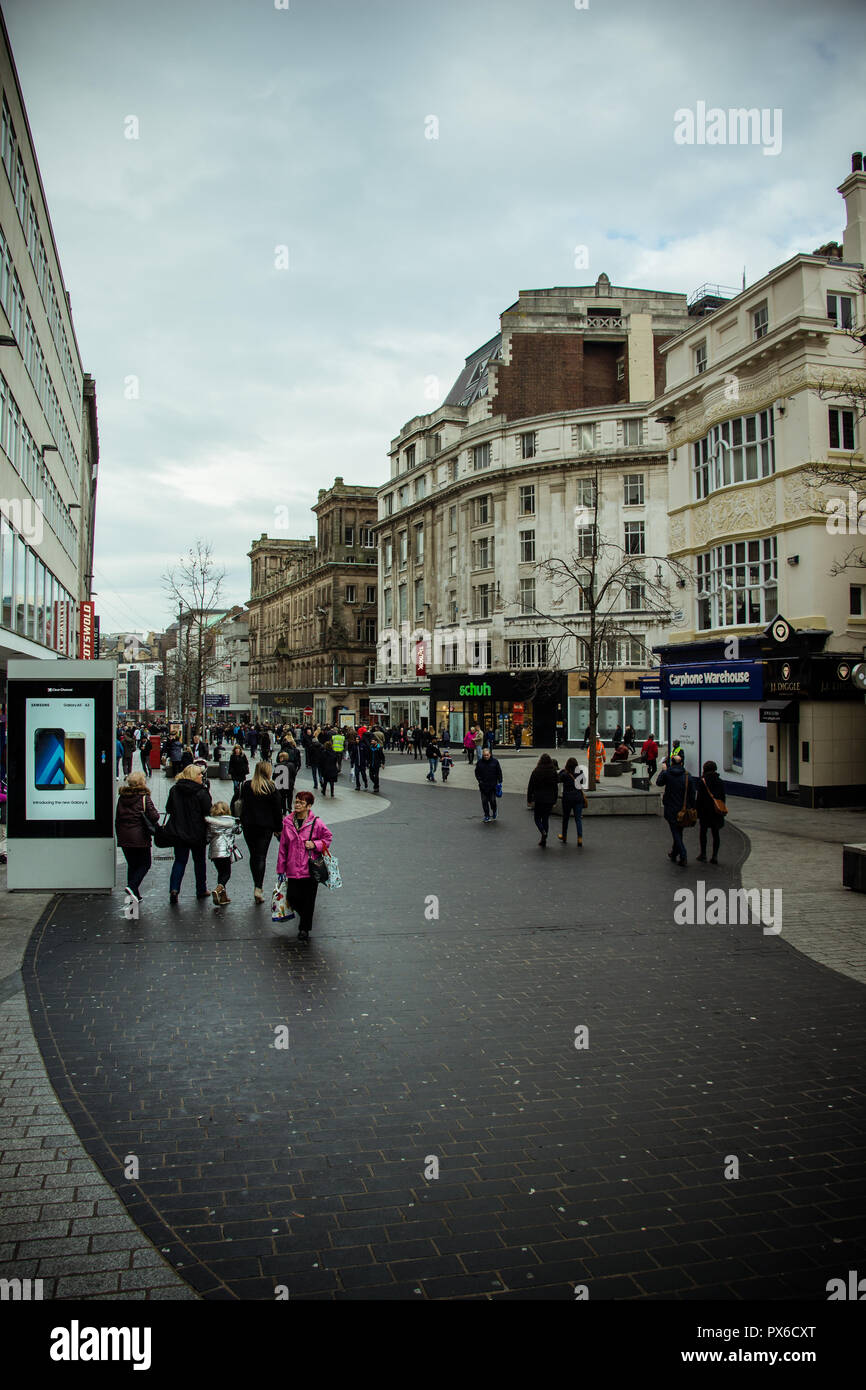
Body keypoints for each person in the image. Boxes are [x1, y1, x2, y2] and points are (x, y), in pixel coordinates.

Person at [276, 790, 333, 943]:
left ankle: (304, 929)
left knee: (309, 900)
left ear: (309, 806)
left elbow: (328, 838)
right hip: (293, 867)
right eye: (296, 801)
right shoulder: (287, 822)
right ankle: (306, 918)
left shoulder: (316, 822)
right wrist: (280, 869)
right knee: (292, 897)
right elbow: (283, 847)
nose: (297, 805)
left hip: (310, 868)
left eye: (301, 802)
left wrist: (315, 844)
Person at [166, 763, 212, 903]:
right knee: (199, 862)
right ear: (193, 776)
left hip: (179, 832)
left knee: (179, 861)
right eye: (199, 774)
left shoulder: (175, 790)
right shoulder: (201, 792)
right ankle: (201, 889)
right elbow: (208, 811)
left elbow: (168, 808)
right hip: (197, 833)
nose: (201, 776)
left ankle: (174, 889)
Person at [239, 760, 283, 903]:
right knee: (261, 856)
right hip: (265, 827)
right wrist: (278, 829)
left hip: (249, 825)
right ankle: (258, 888)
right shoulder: (271, 788)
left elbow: (237, 801)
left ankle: (256, 883)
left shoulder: (246, 786)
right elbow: (277, 810)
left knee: (253, 855)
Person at [115, 770, 159, 906]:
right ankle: (132, 886)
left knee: (132, 865)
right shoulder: (144, 797)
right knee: (145, 864)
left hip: (124, 836)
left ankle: (135, 895)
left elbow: (118, 817)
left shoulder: (122, 797)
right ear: (141, 782)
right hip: (140, 837)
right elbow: (154, 816)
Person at [656, 752, 697, 867]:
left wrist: (663, 771)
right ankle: (674, 853)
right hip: (683, 809)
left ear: (672, 763)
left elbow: (658, 783)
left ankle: (683, 854)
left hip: (670, 807)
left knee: (675, 831)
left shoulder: (668, 773)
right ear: (682, 763)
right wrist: (692, 807)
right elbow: (692, 794)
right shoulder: (688, 776)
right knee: (679, 831)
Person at [206, 800, 240, 906]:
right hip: (225, 851)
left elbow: (208, 837)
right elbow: (238, 830)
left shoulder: (211, 822)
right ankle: (219, 888)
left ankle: (223, 896)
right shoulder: (232, 821)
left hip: (215, 852)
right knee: (226, 873)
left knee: (220, 872)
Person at [696, 760, 726, 864]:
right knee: (715, 833)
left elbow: (699, 798)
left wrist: (697, 811)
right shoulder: (720, 781)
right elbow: (722, 797)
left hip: (705, 811)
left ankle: (703, 854)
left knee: (703, 832)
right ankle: (715, 856)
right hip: (716, 810)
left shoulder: (702, 781)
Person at [527, 753, 559, 847]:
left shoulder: (536, 771)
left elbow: (531, 786)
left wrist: (529, 799)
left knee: (537, 818)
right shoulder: (553, 771)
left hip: (539, 798)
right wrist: (555, 799)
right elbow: (555, 787)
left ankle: (542, 831)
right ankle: (544, 838)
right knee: (545, 818)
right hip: (549, 799)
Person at [557, 757, 587, 846]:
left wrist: (562, 771)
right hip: (578, 798)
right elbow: (584, 781)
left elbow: (558, 779)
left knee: (565, 818)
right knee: (578, 819)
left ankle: (564, 836)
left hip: (567, 799)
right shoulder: (579, 772)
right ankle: (580, 838)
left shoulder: (565, 774)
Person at [474, 745, 503, 823]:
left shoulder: (495, 762)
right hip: (483, 786)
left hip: (493, 785)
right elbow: (476, 772)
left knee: (492, 800)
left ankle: (494, 811)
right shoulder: (480, 762)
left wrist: (500, 782)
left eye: (487, 755)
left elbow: (499, 772)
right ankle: (487, 815)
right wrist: (479, 780)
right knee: (484, 801)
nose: (486, 756)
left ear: (490, 754)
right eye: (484, 755)